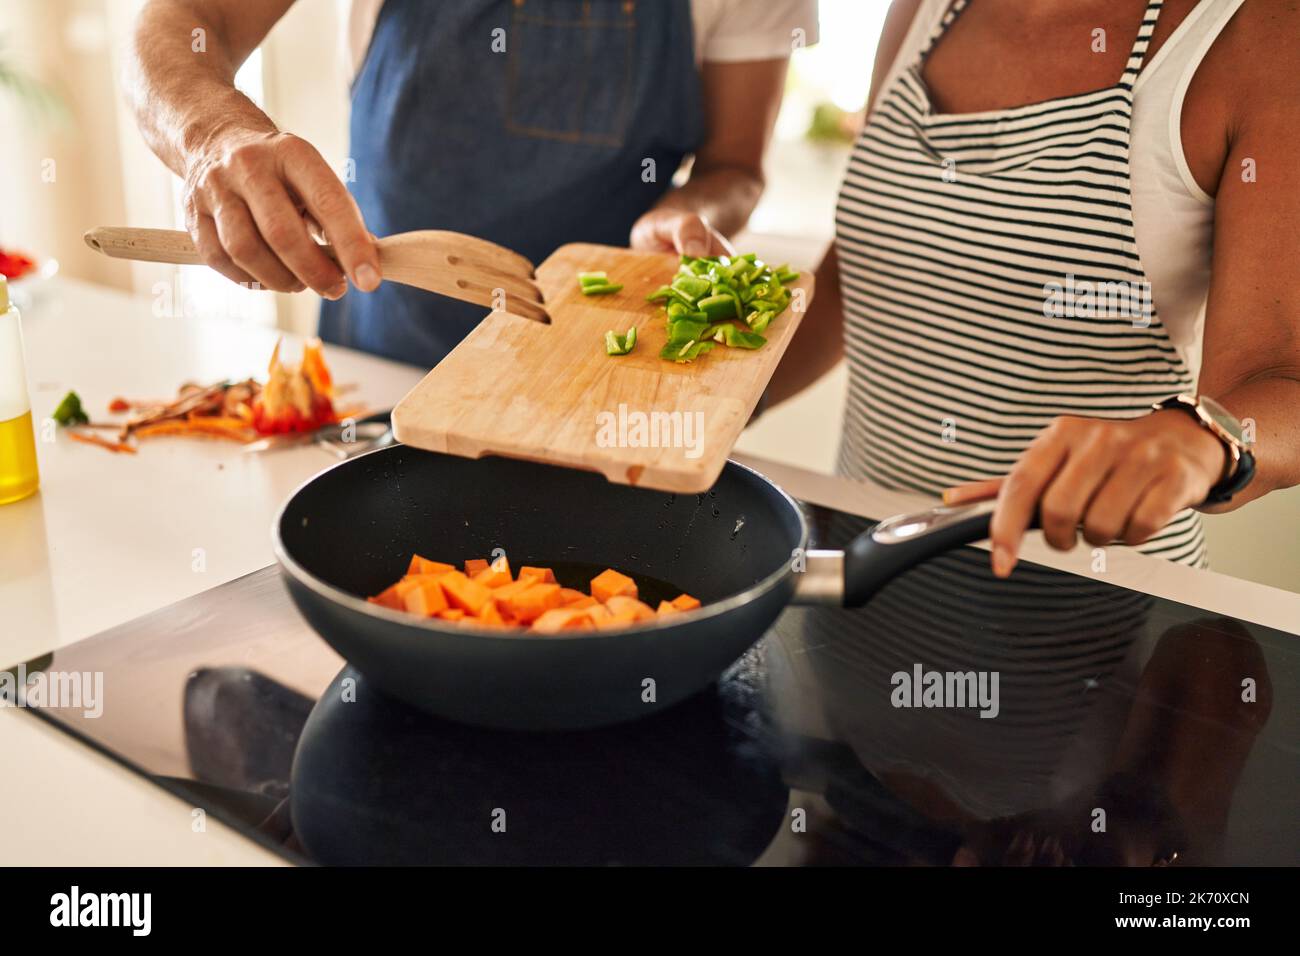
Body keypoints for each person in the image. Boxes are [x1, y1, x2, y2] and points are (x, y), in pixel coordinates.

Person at [769, 0, 1300, 574]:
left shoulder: (1260, 31)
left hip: (1096, 598)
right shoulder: (923, 10)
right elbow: (857, 282)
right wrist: (684, 411)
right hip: (865, 560)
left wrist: (1201, 439)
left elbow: (1282, 381)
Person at [127, 0, 816, 366]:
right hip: (376, 370)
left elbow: (735, 166)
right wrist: (216, 137)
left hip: (604, 386)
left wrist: (689, 211)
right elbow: (181, 19)